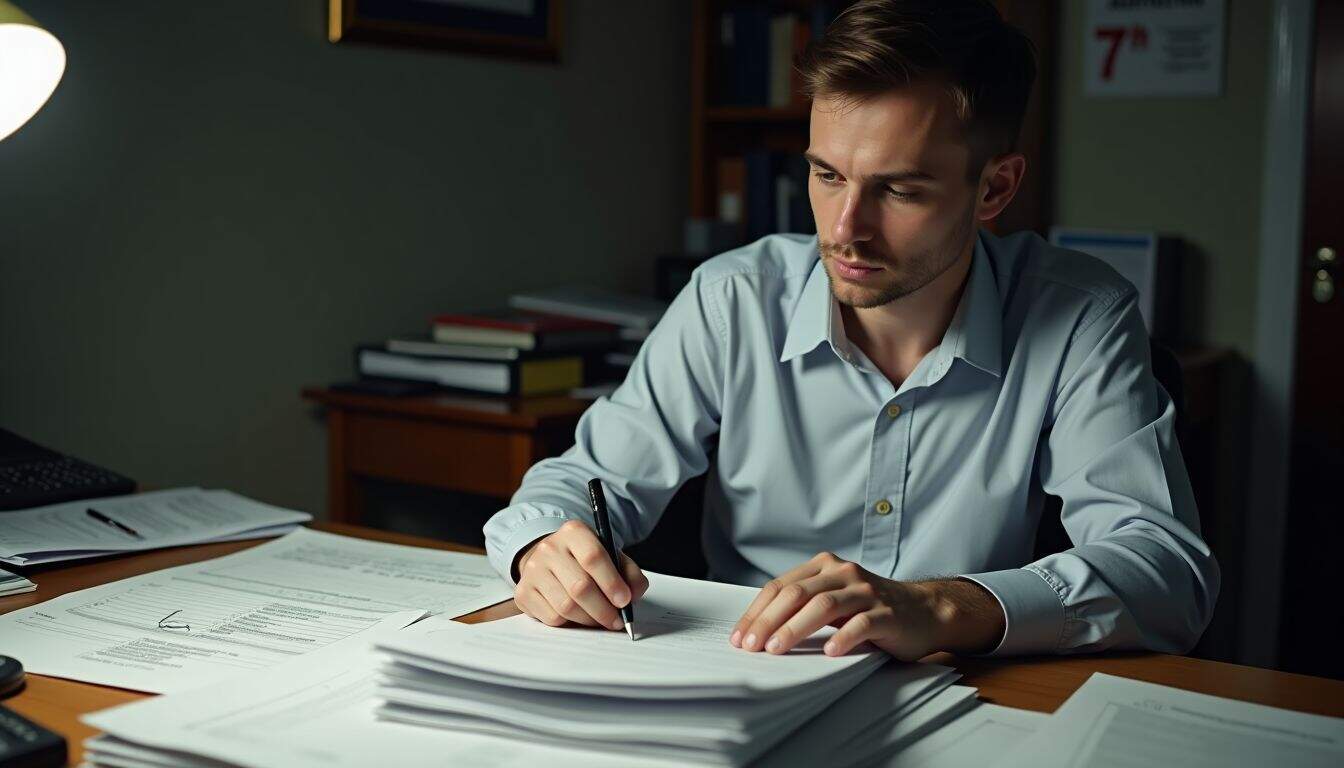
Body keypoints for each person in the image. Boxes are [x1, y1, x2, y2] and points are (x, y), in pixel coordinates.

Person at [483, 0, 1219, 661]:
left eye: (897, 190)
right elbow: (579, 483)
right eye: (827, 175)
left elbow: (1166, 573)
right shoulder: (732, 299)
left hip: (960, 693)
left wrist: (936, 604)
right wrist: (546, 548)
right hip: (739, 674)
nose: (844, 231)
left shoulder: (1082, 315)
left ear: (994, 187)